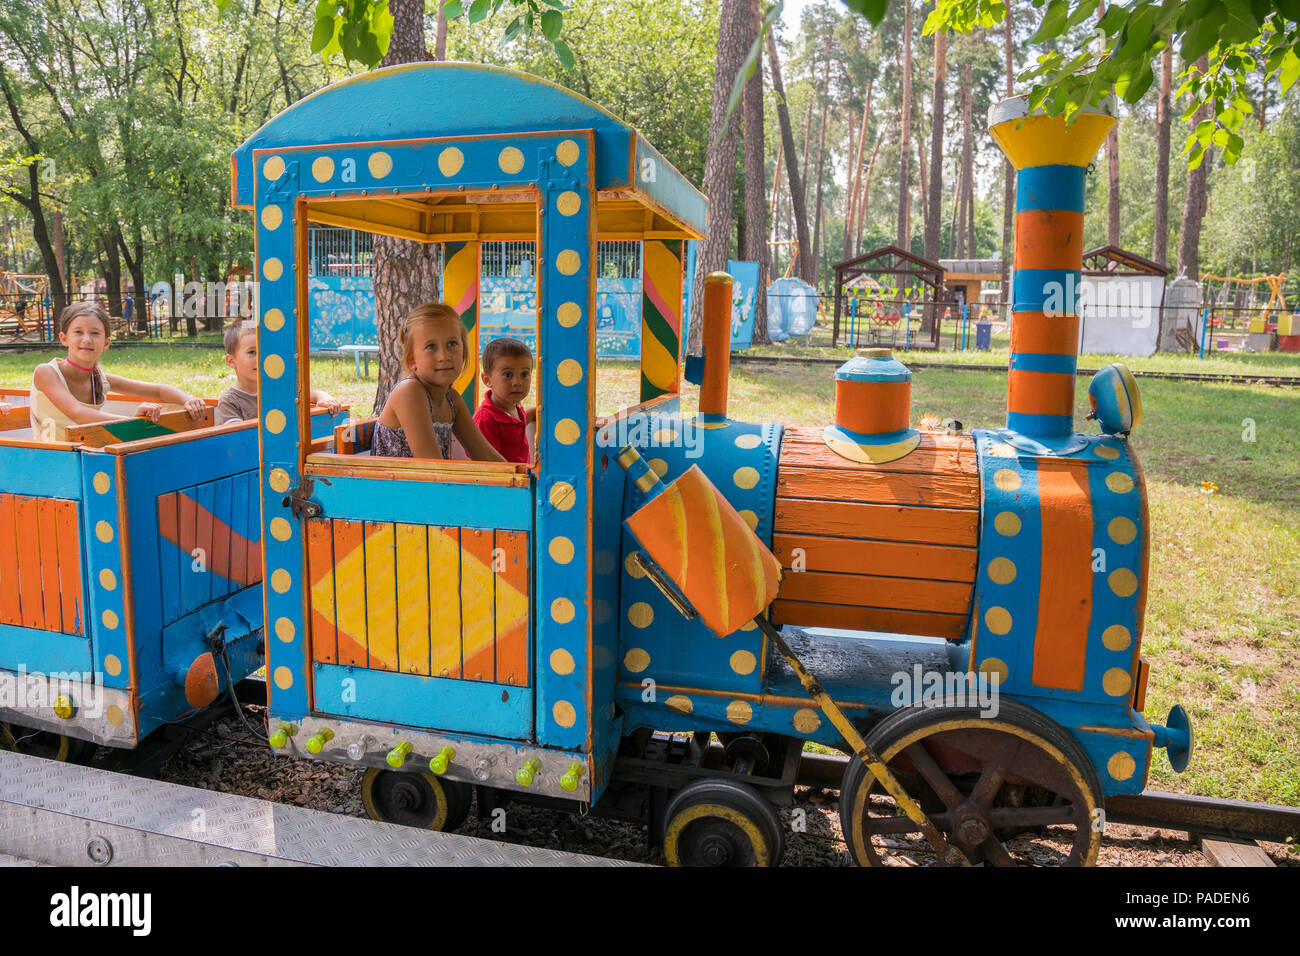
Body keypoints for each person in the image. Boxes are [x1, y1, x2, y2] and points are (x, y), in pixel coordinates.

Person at [31, 301, 206, 442]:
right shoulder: (46, 373)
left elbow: (158, 391)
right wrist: (134, 422)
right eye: (78, 332)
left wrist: (189, 400)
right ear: (64, 338)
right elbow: (78, 414)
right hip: (51, 461)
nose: (87, 339)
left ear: (106, 343)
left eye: (94, 333)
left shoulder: (100, 379)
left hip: (88, 456)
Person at [372, 302, 504, 462]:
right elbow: (432, 465)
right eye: (431, 347)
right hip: (394, 486)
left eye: (452, 344)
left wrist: (523, 478)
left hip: (428, 483)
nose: (444, 356)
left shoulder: (452, 399)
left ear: (463, 352)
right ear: (412, 360)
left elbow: (485, 455)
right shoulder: (409, 391)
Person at [216, 319, 341, 425]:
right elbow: (239, 440)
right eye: (252, 352)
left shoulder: (277, 390)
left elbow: (313, 394)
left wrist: (324, 397)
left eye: (266, 351)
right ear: (231, 361)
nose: (261, 358)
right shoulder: (229, 402)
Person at [473, 337, 535, 464]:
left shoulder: (514, 405)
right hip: (503, 482)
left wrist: (535, 413)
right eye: (508, 375)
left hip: (520, 479)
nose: (517, 382)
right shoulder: (486, 420)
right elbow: (484, 461)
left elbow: (514, 426)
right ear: (487, 380)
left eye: (524, 374)